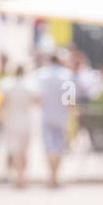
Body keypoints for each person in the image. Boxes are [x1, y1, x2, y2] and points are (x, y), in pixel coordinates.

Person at [31, 49, 74, 188]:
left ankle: (52, 175)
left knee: (49, 147)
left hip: (47, 115)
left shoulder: (41, 75)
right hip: (61, 115)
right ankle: (55, 175)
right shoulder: (67, 75)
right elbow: (70, 99)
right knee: (59, 147)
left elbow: (36, 97)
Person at [0, 65, 34, 188]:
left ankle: (19, 176)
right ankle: (21, 175)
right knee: (23, 150)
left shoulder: (8, 85)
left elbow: (1, 102)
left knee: (16, 150)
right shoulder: (29, 85)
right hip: (25, 119)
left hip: (12, 119)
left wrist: (0, 116)